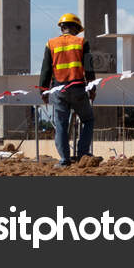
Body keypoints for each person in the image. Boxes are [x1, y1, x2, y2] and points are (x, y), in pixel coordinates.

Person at [39, 12, 96, 166]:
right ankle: (83, 154)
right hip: (78, 88)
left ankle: (64, 160)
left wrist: (43, 91)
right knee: (88, 120)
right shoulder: (82, 42)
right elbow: (89, 68)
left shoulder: (51, 44)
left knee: (61, 125)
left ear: (62, 27)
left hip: (59, 91)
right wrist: (92, 88)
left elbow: (45, 70)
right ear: (76, 28)